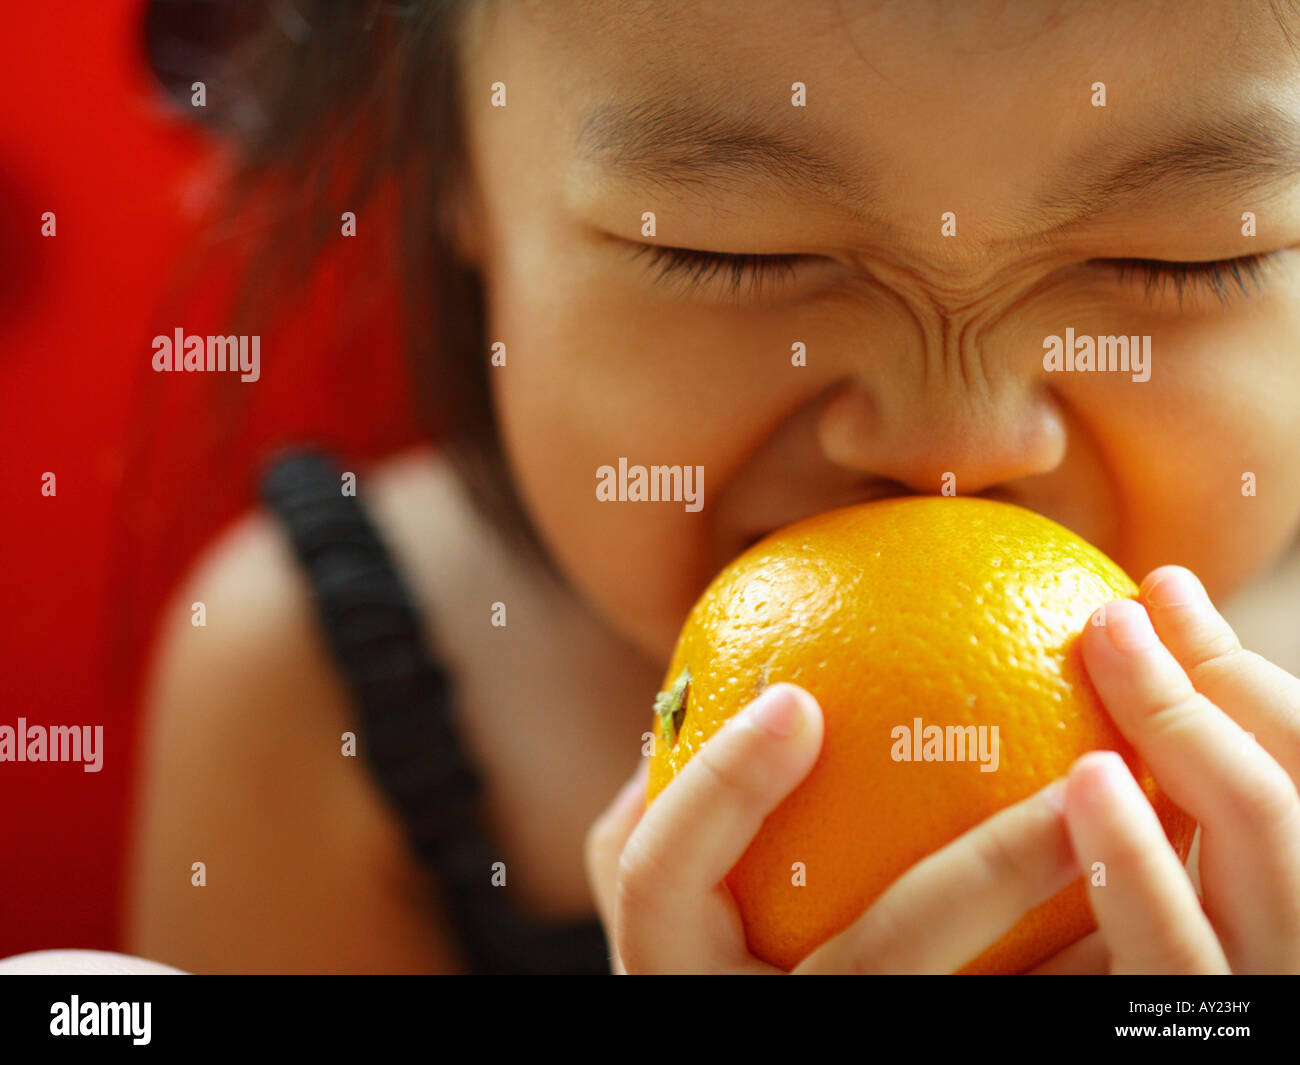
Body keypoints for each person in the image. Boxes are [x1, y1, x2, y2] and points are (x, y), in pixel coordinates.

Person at [125, 0, 1300, 973]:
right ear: (452, 174)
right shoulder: (319, 695)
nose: (956, 438)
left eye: (1182, 255)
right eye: (731, 249)